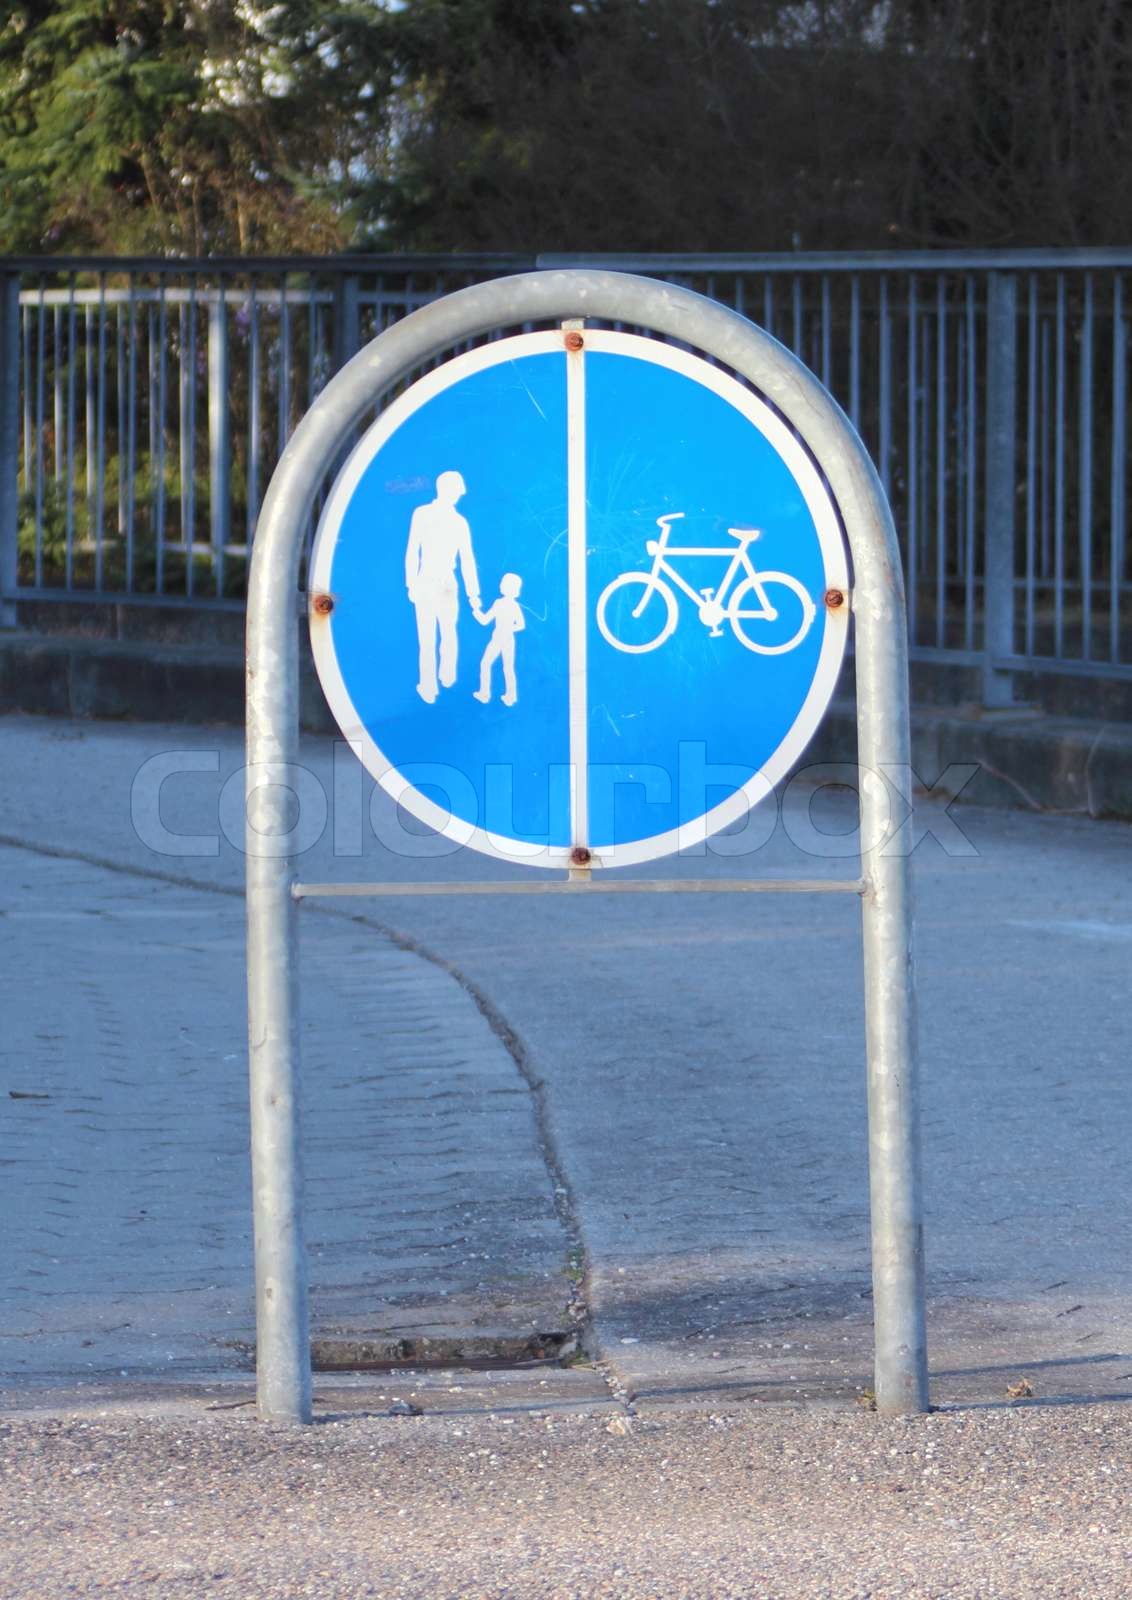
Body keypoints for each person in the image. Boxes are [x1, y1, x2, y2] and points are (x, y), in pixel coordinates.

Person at [404, 470, 481, 704]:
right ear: (447, 490)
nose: (461, 494)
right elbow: (412, 551)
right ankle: (432, 684)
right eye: (458, 489)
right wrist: (411, 583)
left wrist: (473, 593)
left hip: (443, 582)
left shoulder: (458, 522)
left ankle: (445, 679)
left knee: (443, 635)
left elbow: (468, 559)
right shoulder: (425, 515)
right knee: (432, 637)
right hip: (431, 581)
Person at [473, 573, 525, 707]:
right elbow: (520, 625)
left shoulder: (505, 604)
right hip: (504, 639)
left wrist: (476, 611)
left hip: (500, 638)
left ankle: (486, 694)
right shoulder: (510, 604)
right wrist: (476, 612)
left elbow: (485, 621)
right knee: (506, 667)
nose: (500, 584)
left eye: (503, 583)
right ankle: (509, 696)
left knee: (487, 664)